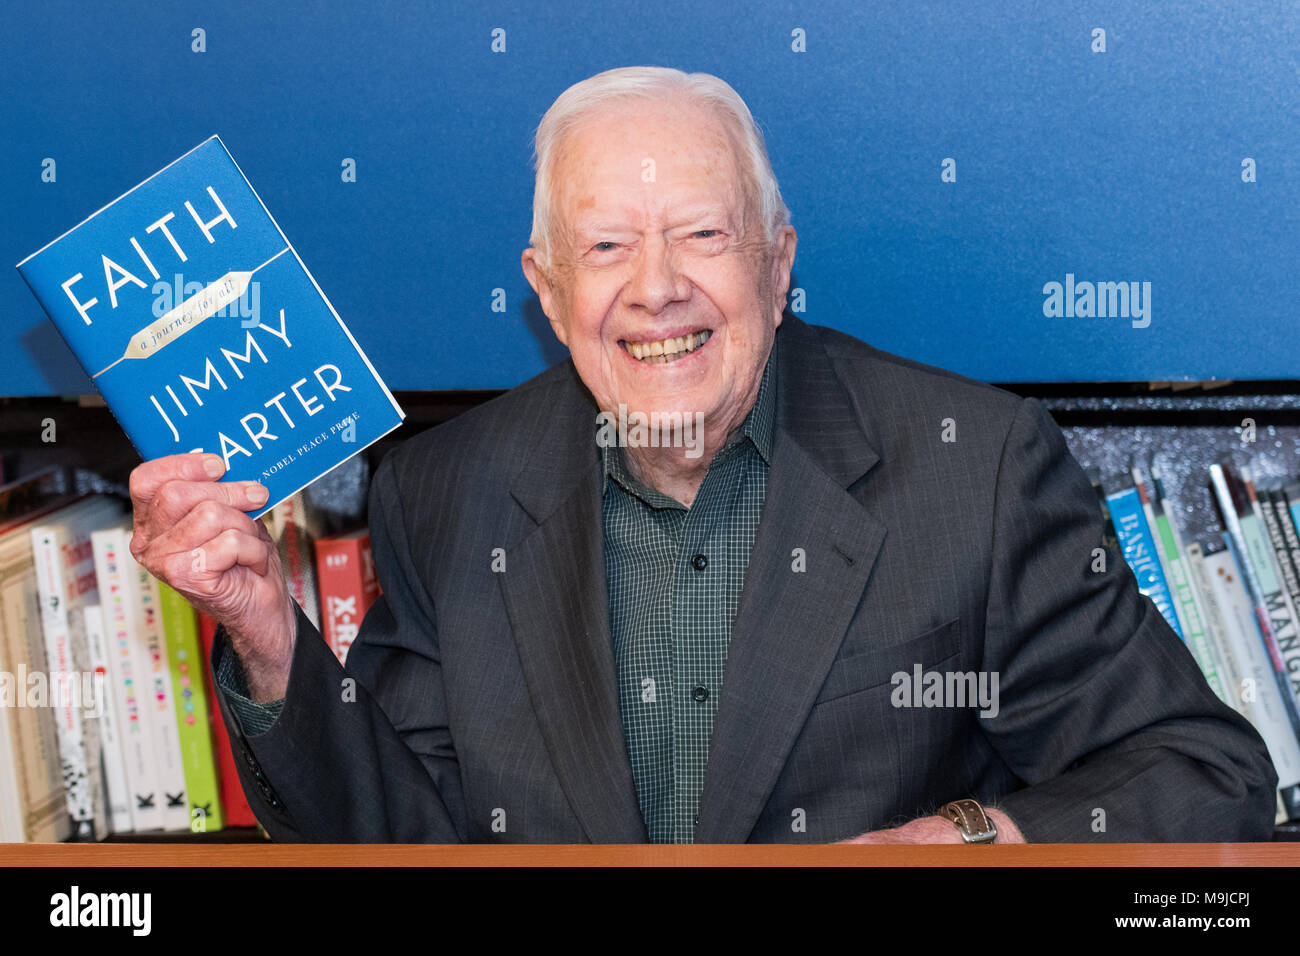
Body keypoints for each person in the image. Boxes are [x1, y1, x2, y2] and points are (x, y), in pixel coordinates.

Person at [128, 66, 1277, 844]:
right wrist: (266, 629)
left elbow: (1200, 772)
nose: (656, 284)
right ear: (547, 289)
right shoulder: (446, 491)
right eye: (608, 245)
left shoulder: (967, 468)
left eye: (703, 233)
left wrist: (976, 833)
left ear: (778, 266)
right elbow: (403, 841)